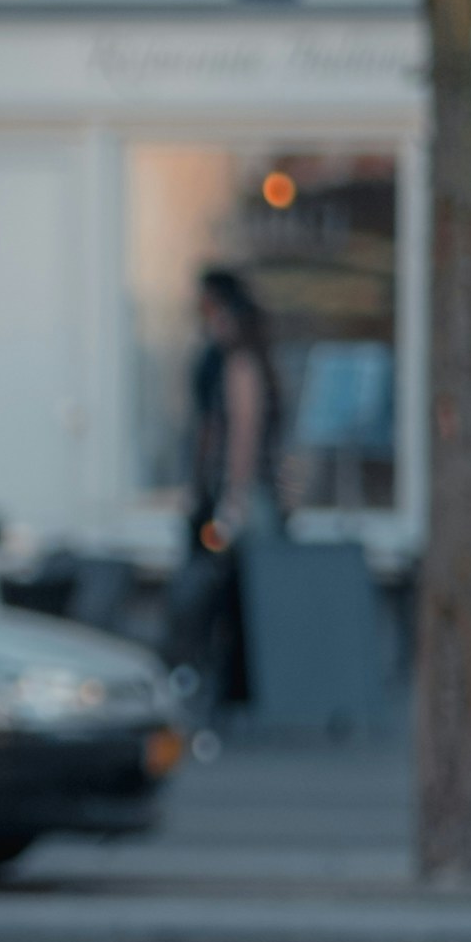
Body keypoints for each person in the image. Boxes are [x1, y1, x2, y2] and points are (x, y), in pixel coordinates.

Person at [173, 263, 281, 722]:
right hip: (216, 492)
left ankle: (228, 687)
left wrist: (232, 499)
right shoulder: (229, 353)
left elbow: (243, 432)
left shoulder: (239, 359)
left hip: (230, 495)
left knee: (225, 591)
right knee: (222, 590)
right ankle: (222, 683)